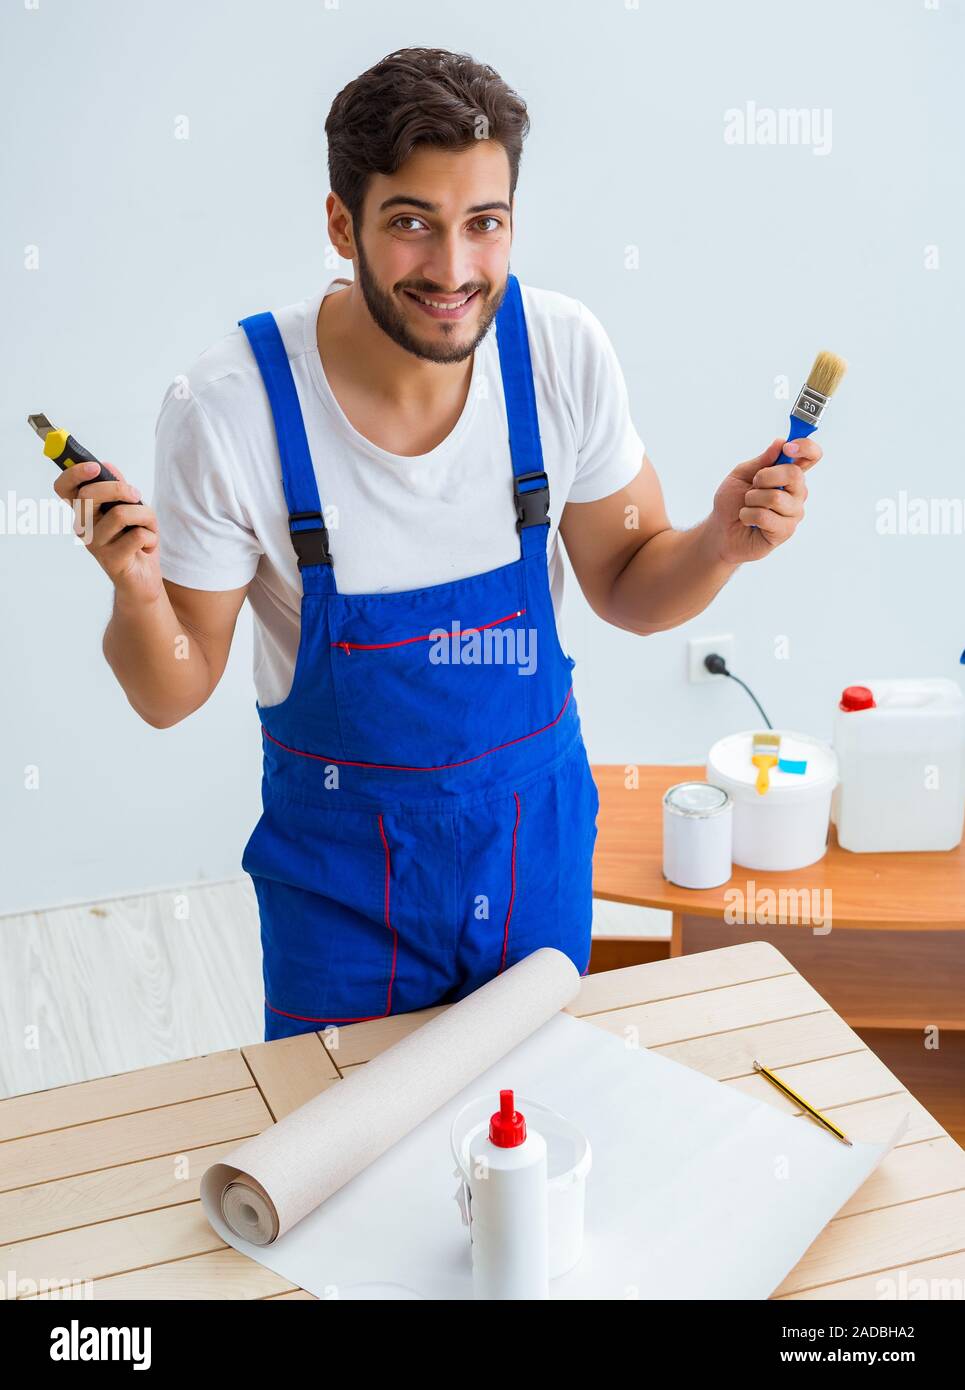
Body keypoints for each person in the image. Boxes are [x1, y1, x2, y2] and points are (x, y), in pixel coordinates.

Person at [56, 48, 821, 1041]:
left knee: (532, 1139)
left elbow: (628, 588)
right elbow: (171, 689)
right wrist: (133, 588)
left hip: (531, 849)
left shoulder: (558, 352)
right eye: (411, 223)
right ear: (342, 225)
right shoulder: (230, 410)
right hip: (339, 885)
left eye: (483, 224)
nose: (453, 270)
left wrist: (719, 541)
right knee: (336, 1162)